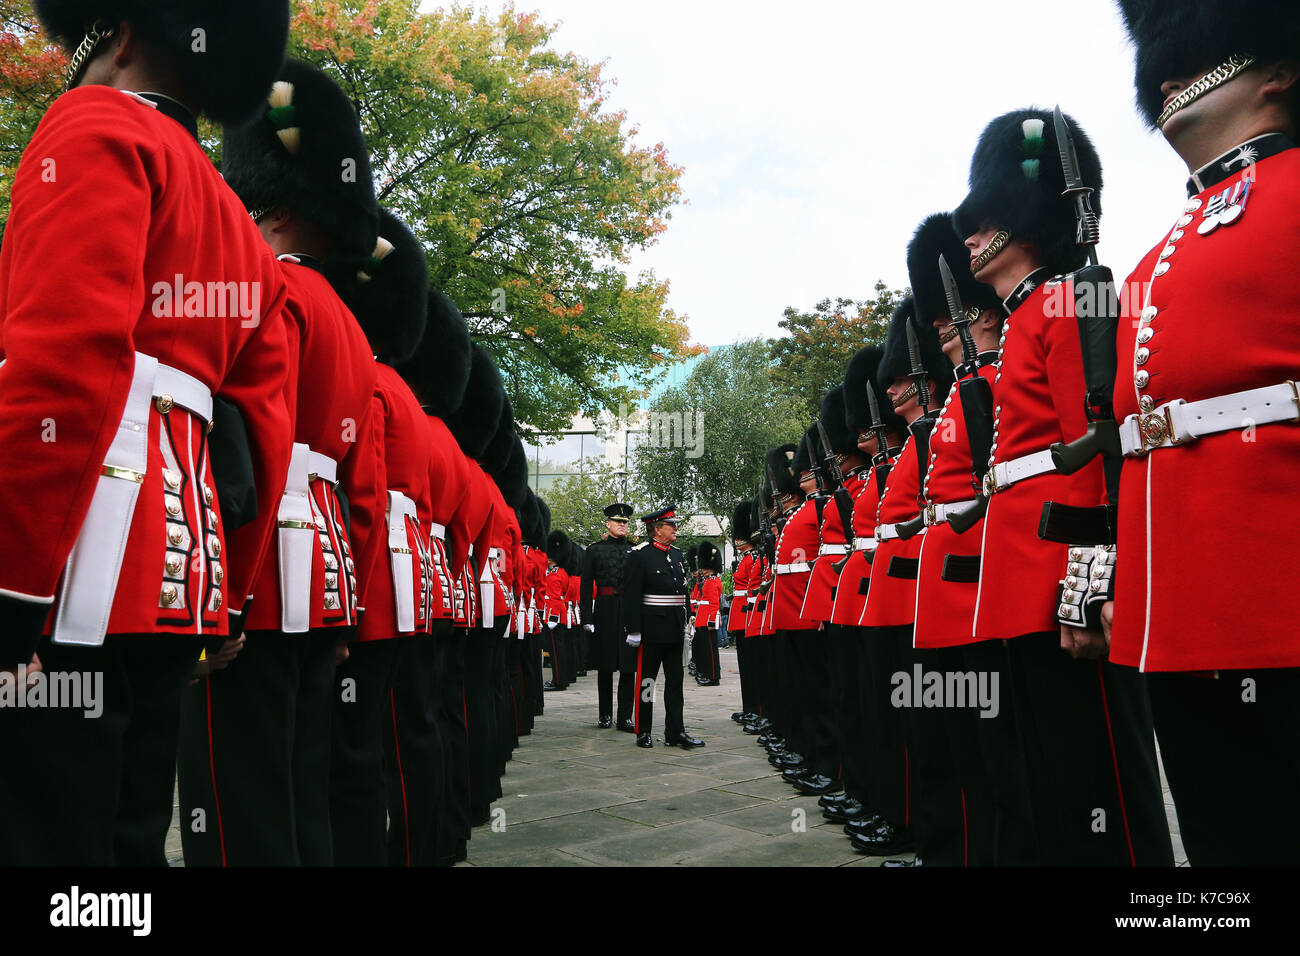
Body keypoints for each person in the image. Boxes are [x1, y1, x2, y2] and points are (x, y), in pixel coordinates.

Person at [0, 0, 293, 866]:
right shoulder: (240, 228)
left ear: (119, 34)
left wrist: (11, 588)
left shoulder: (92, 125)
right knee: (128, 843)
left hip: (68, 570)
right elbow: (263, 432)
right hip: (177, 583)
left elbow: (63, 366)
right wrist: (229, 598)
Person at [1087, 0, 1300, 865]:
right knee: (1221, 841)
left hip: (1278, 591)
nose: (1166, 81)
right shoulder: (1154, 254)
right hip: (1175, 609)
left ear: (1280, 68)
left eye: (1199, 57)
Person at [175, 56, 380, 868]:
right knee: (300, 798)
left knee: (235, 811)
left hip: (259, 581)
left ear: (277, 206)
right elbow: (360, 490)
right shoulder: (355, 333)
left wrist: (219, 601)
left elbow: (251, 441)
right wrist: (350, 608)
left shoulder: (270, 289)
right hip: (321, 578)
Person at [956, 107, 1173, 865]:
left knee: (1099, 780)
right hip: (1023, 569)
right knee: (1049, 774)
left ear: (1022, 224)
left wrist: (1089, 589)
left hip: (1061, 572)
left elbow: (1099, 455)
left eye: (983, 225)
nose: (971, 240)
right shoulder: (1023, 320)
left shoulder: (1068, 303)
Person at [623, 508, 704, 749]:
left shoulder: (677, 555)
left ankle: (675, 731)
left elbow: (683, 592)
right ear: (657, 529)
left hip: (674, 630)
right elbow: (631, 594)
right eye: (671, 525)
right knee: (648, 682)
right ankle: (644, 730)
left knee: (675, 683)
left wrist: (688, 618)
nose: (675, 528)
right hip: (651, 630)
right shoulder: (640, 555)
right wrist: (634, 629)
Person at [579, 502, 636, 729]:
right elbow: (585, 586)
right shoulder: (594, 550)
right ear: (608, 523)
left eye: (625, 522)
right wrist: (586, 617)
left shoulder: (635, 550)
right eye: (618, 522)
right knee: (605, 664)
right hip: (604, 608)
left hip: (628, 608)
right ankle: (605, 714)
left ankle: (625, 716)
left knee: (628, 665)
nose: (622, 525)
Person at [691, 541, 723, 686]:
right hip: (701, 618)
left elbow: (714, 604)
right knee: (704, 650)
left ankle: (713, 676)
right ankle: (706, 673)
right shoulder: (707, 581)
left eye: (704, 568)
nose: (701, 570)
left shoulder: (713, 581)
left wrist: (711, 621)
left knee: (710, 651)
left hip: (707, 620)